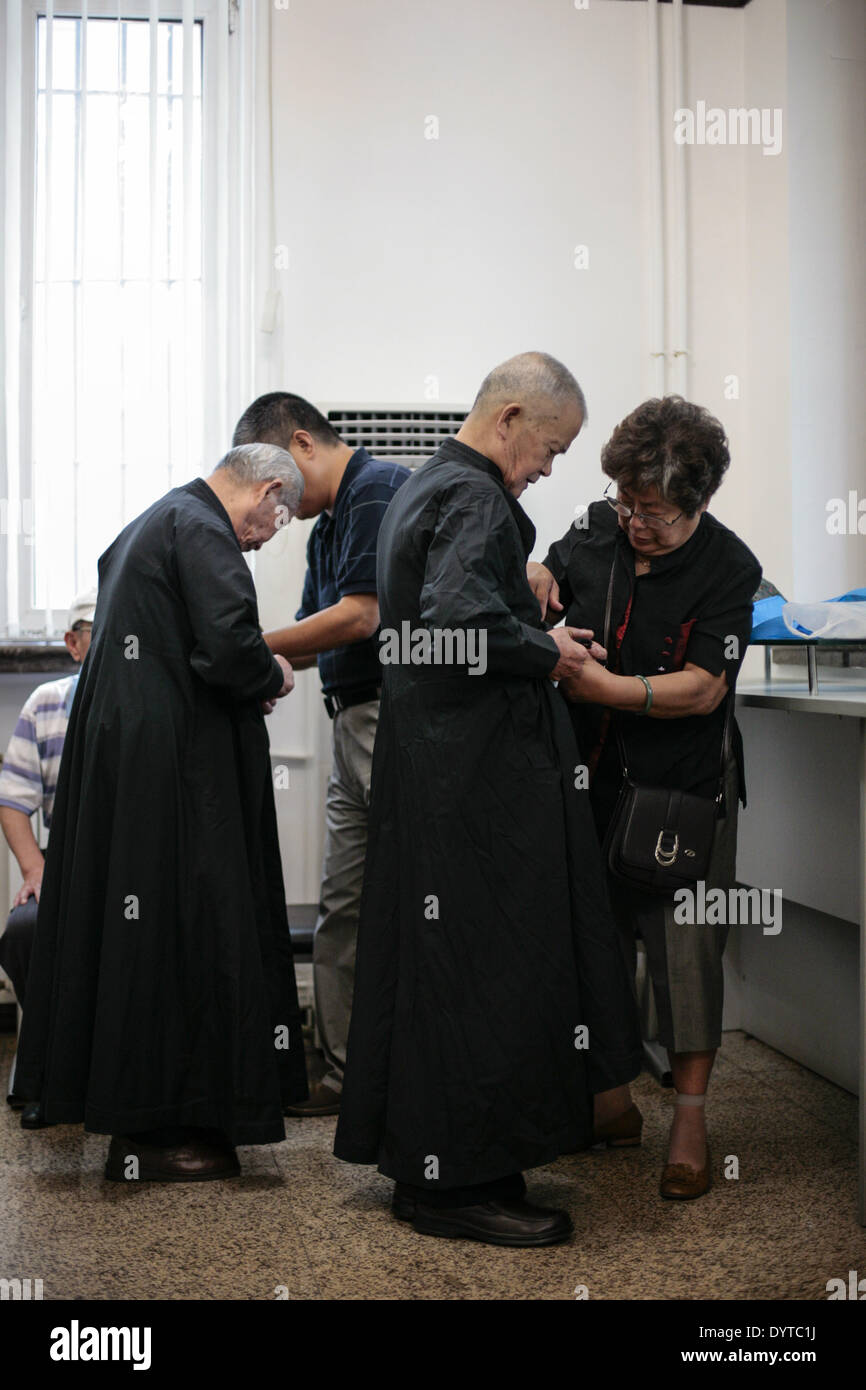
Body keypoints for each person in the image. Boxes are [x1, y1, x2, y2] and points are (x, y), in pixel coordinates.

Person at [333, 352, 642, 1247]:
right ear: (509, 419)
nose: (551, 467)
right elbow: (461, 622)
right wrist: (555, 655)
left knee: (439, 969)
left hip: (433, 769)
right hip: (474, 783)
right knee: (487, 971)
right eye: (552, 446)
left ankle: (432, 1169)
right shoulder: (473, 496)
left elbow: (453, 615)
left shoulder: (422, 486)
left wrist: (539, 632)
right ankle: (457, 1188)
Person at [11, 444, 310, 1181]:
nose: (265, 538)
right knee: (193, 929)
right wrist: (274, 669)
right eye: (276, 522)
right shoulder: (203, 529)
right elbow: (231, 650)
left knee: (138, 935)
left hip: (131, 764)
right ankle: (169, 1124)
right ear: (268, 488)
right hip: (177, 770)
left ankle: (138, 1117)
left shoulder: (148, 523)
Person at [530, 395, 762, 1199]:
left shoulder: (731, 568)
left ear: (699, 503)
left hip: (681, 794)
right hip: (586, 784)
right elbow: (550, 576)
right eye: (626, 502)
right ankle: (611, 1103)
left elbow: (702, 688)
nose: (635, 522)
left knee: (684, 953)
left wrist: (607, 687)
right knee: (591, 943)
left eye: (654, 511)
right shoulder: (598, 529)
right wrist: (535, 573)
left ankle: (690, 1122)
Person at [232, 394, 409, 1116]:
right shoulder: (327, 526)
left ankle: (402, 1072)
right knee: (344, 905)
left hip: (391, 716)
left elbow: (361, 615)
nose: (273, 505)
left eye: (277, 480)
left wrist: (243, 649)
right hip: (351, 720)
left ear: (302, 444)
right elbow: (312, 630)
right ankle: (343, 1070)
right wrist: (254, 674)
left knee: (407, 899)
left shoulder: (377, 488)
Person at [0, 590, 95, 1032]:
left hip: (138, 867)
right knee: (25, 931)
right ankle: (46, 1063)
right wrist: (35, 868)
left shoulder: (154, 703)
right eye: (97, 633)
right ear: (72, 644)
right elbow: (13, 800)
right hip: (68, 862)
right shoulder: (45, 704)